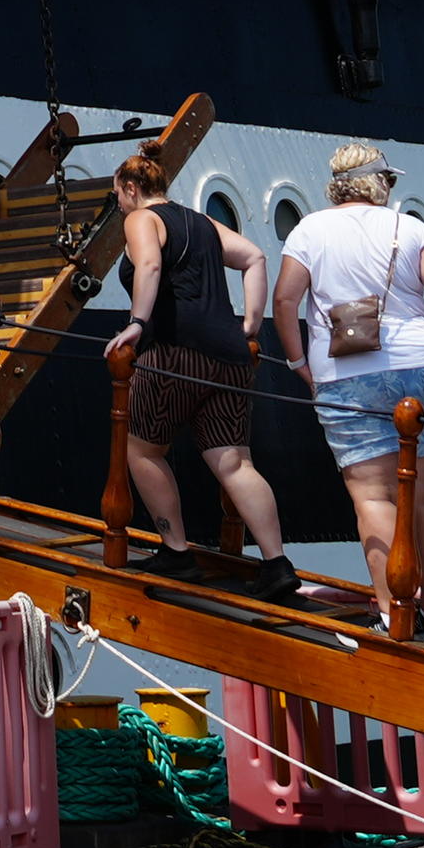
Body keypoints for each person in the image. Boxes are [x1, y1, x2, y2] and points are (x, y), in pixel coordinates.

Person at [271, 140, 424, 636]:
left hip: (346, 371)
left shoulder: (309, 230)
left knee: (374, 499)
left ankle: (391, 615)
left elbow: (285, 301)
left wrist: (299, 362)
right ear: (382, 183)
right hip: (423, 366)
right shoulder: (412, 227)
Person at [103, 147, 297, 598]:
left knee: (142, 451)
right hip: (228, 355)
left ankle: (175, 550)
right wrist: (250, 324)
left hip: (172, 352)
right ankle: (277, 563)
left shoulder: (140, 220)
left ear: (132, 189)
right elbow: (253, 258)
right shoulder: (200, 222)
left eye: (118, 195)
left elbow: (149, 263)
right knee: (234, 462)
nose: (118, 205)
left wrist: (137, 323)